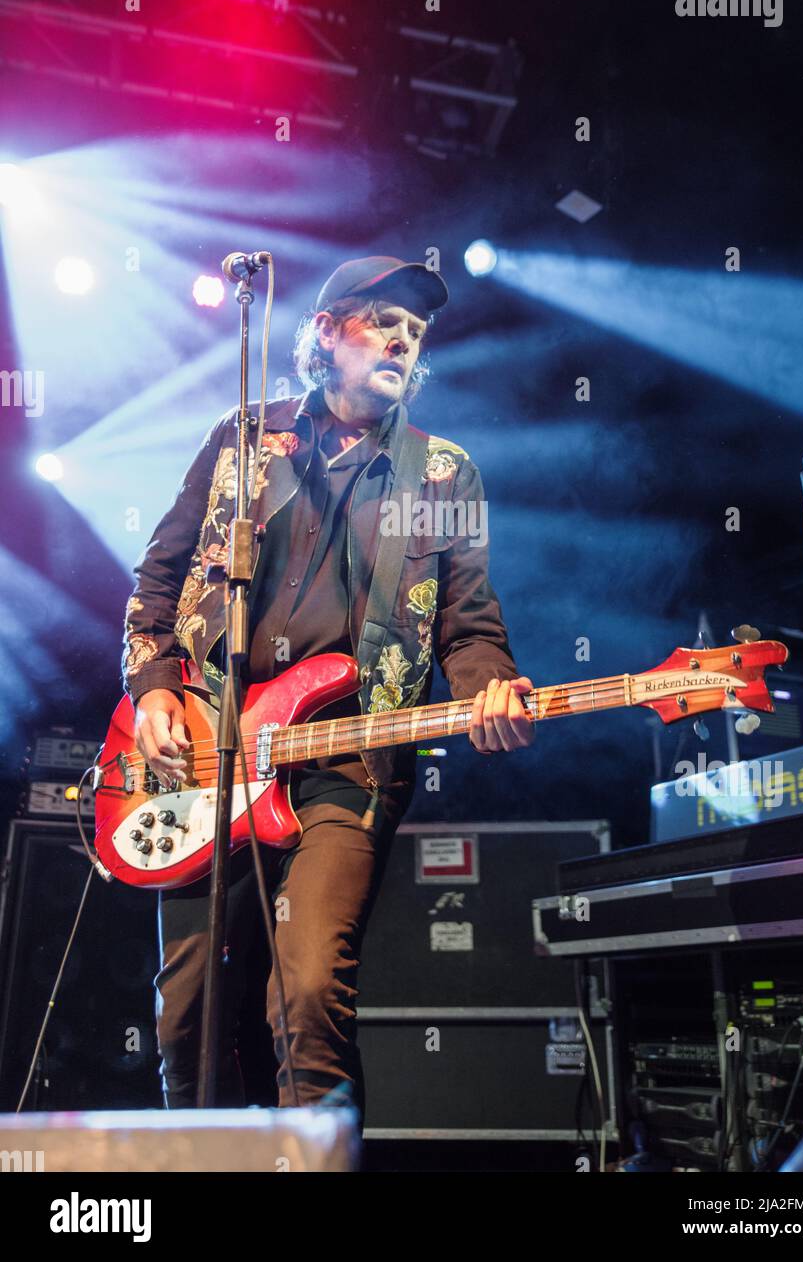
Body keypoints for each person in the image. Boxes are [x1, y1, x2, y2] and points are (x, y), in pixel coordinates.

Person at [123, 255, 534, 1113]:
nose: (402, 340)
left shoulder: (442, 472)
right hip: (211, 752)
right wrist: (156, 687)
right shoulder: (242, 438)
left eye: (415, 332)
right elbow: (157, 582)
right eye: (383, 321)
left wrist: (490, 684)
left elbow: (468, 621)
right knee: (185, 1023)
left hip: (344, 763)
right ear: (326, 330)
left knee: (308, 998)